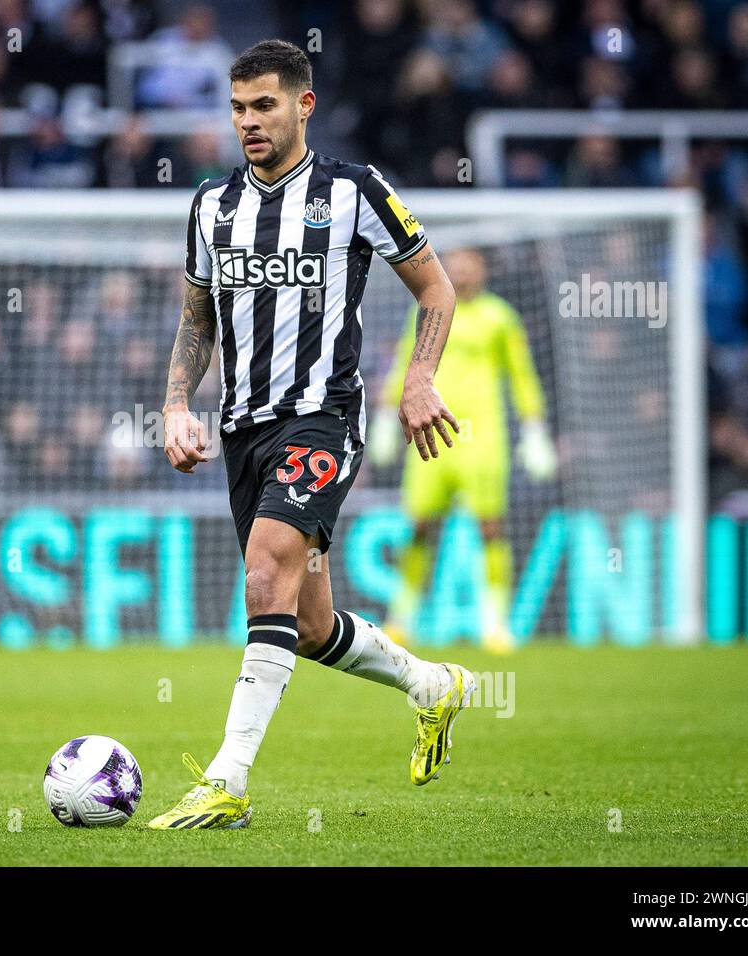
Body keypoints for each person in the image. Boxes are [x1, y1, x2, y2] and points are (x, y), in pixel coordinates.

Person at [153, 40, 476, 830]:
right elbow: (198, 314)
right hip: (242, 429)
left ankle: (228, 781)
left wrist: (421, 377)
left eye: (263, 105)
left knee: (265, 575)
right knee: (306, 624)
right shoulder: (210, 206)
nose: (247, 122)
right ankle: (432, 684)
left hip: (323, 417)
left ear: (303, 105)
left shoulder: (354, 191)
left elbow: (435, 287)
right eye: (237, 108)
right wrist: (172, 404)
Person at [371, 247, 556, 652]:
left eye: (469, 263)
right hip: (430, 437)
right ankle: (401, 619)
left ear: (483, 269)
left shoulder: (500, 317)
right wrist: (386, 414)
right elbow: (405, 358)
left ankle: (494, 623)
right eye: (454, 264)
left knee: (490, 526)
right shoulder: (427, 313)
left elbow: (522, 375)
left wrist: (534, 428)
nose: (462, 270)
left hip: (483, 440)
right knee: (419, 527)